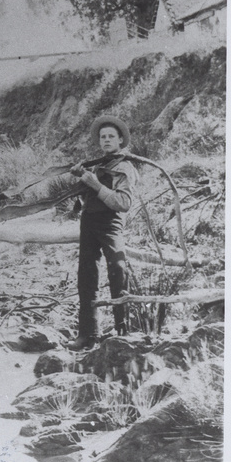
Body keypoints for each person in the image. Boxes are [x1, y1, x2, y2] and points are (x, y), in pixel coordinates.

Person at [66, 115, 138, 351]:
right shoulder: (96, 165)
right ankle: (87, 334)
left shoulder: (125, 167)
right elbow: (84, 200)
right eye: (103, 137)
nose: (106, 140)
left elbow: (123, 203)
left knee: (117, 270)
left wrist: (96, 185)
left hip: (111, 223)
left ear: (120, 140)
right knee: (86, 277)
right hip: (88, 222)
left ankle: (123, 330)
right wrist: (81, 180)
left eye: (111, 137)